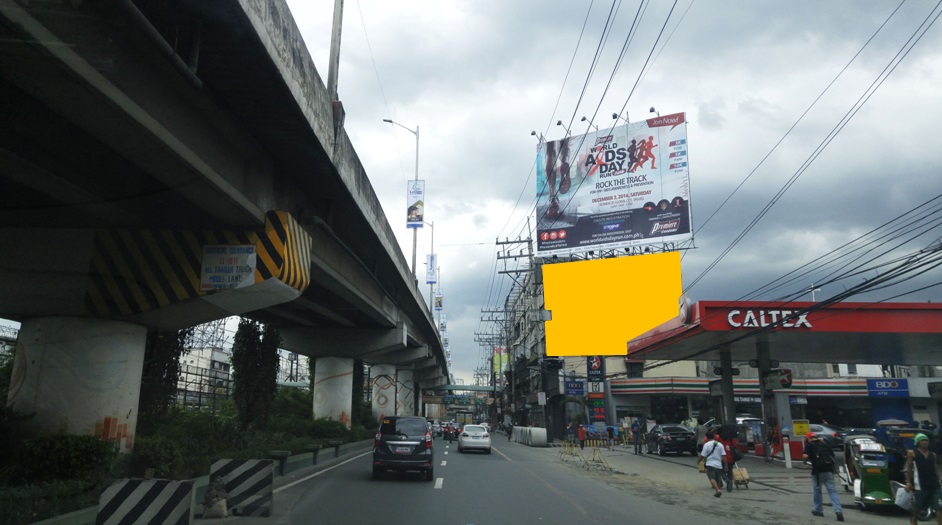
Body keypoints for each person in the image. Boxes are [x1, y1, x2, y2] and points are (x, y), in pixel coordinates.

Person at [802, 432, 844, 521]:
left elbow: (805, 456)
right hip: (829, 470)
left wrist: (804, 462)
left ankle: (818, 510)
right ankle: (838, 511)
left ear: (808, 439)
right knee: (832, 491)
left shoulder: (809, 445)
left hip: (817, 472)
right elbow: (832, 455)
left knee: (817, 491)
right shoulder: (824, 443)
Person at [905, 433, 942, 525]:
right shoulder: (912, 453)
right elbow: (909, 468)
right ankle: (914, 519)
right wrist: (908, 482)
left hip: (934, 484)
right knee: (919, 507)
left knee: (939, 507)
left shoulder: (932, 455)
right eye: (922, 440)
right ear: (917, 442)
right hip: (921, 485)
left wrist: (940, 480)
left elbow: (935, 469)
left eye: (926, 440)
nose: (925, 442)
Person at [543, 138, 571, 220]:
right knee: (564, 144)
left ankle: (553, 196)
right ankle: (565, 160)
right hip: (561, 127)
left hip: (551, 131)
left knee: (550, 151)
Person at [701, 430, 726, 498]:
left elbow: (703, 455)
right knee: (718, 478)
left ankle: (717, 490)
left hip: (710, 464)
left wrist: (699, 461)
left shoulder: (706, 445)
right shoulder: (720, 444)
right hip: (719, 465)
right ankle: (718, 490)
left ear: (707, 437)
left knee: (712, 478)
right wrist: (726, 465)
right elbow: (723, 456)